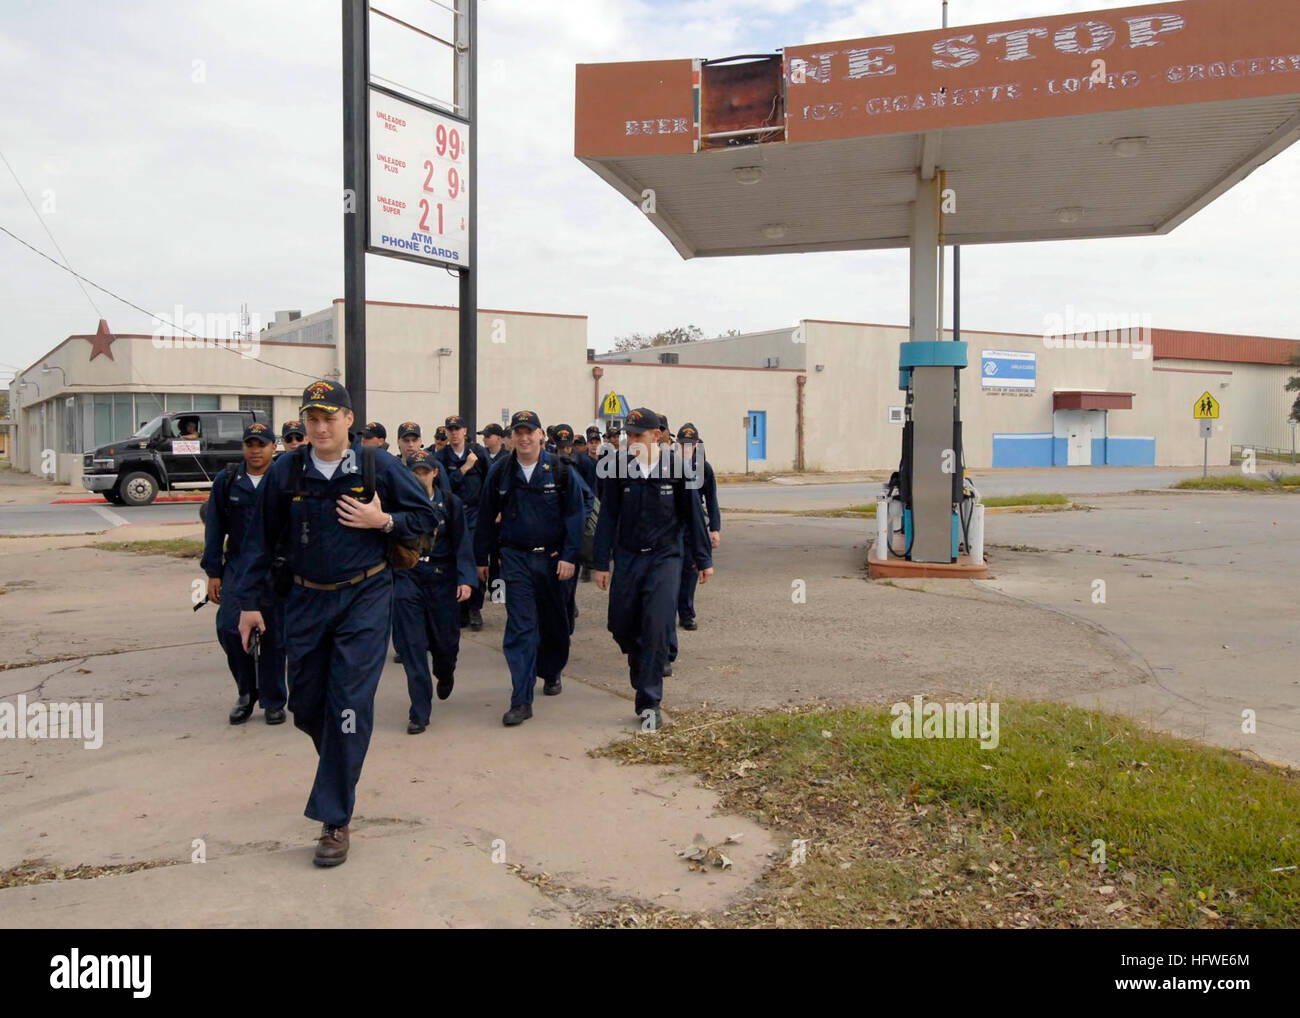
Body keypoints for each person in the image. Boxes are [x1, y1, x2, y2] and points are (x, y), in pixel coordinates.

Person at [230, 380, 437, 868]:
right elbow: (258, 541)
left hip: (364, 596)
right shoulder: (287, 471)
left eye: (329, 418)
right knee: (306, 704)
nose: (320, 428)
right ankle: (343, 763)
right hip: (304, 600)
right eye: (312, 419)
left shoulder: (376, 466)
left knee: (348, 705)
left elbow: (425, 518)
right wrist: (250, 603)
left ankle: (335, 818)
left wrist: (382, 522)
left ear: (349, 420)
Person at [591, 407, 713, 731]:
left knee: (657, 626)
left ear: (656, 435)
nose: (630, 442)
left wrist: (703, 559)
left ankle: (649, 703)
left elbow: (693, 517)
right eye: (627, 436)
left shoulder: (677, 468)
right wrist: (600, 562)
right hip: (629, 557)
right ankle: (638, 659)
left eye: (637, 436)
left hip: (665, 557)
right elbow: (607, 518)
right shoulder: (617, 468)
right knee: (620, 624)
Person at [474, 410, 586, 726]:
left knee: (554, 624)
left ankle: (551, 671)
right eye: (518, 432)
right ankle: (521, 699)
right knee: (521, 626)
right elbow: (485, 517)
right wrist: (481, 559)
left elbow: (575, 517)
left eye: (529, 432)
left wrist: (569, 556)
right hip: (515, 560)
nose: (524, 438)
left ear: (541, 435)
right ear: (512, 437)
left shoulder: (561, 471)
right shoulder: (501, 472)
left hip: (552, 561)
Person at [201, 421, 287, 725]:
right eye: (250, 444)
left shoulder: (282, 479)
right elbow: (215, 529)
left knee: (275, 636)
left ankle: (274, 700)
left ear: (273, 448)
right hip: (239, 566)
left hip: (276, 568)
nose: (255, 450)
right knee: (229, 629)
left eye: (261, 444)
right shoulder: (227, 481)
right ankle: (246, 692)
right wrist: (214, 572)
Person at [393, 450, 476, 734]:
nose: (419, 477)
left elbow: (462, 544)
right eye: (414, 472)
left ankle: (445, 670)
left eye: (424, 472)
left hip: (442, 577)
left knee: (445, 643)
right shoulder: (398, 505)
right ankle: (419, 711)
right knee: (412, 646)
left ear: (434, 473)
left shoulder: (450, 504)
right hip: (408, 577)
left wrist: (465, 579)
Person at [438, 414, 489, 630]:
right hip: (454, 516)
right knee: (456, 560)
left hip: (476, 513)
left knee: (477, 561)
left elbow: (490, 481)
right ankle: (459, 608)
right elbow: (444, 486)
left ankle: (475, 608)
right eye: (450, 430)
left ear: (465, 431)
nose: (454, 433)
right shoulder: (441, 457)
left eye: (457, 429)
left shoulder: (479, 453)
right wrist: (464, 468)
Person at [551, 424, 595, 630]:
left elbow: (589, 496)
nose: (564, 451)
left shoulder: (580, 465)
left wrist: (580, 520)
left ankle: (566, 625)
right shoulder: (548, 463)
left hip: (570, 532)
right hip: (551, 533)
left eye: (567, 447)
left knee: (567, 584)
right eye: (560, 448)